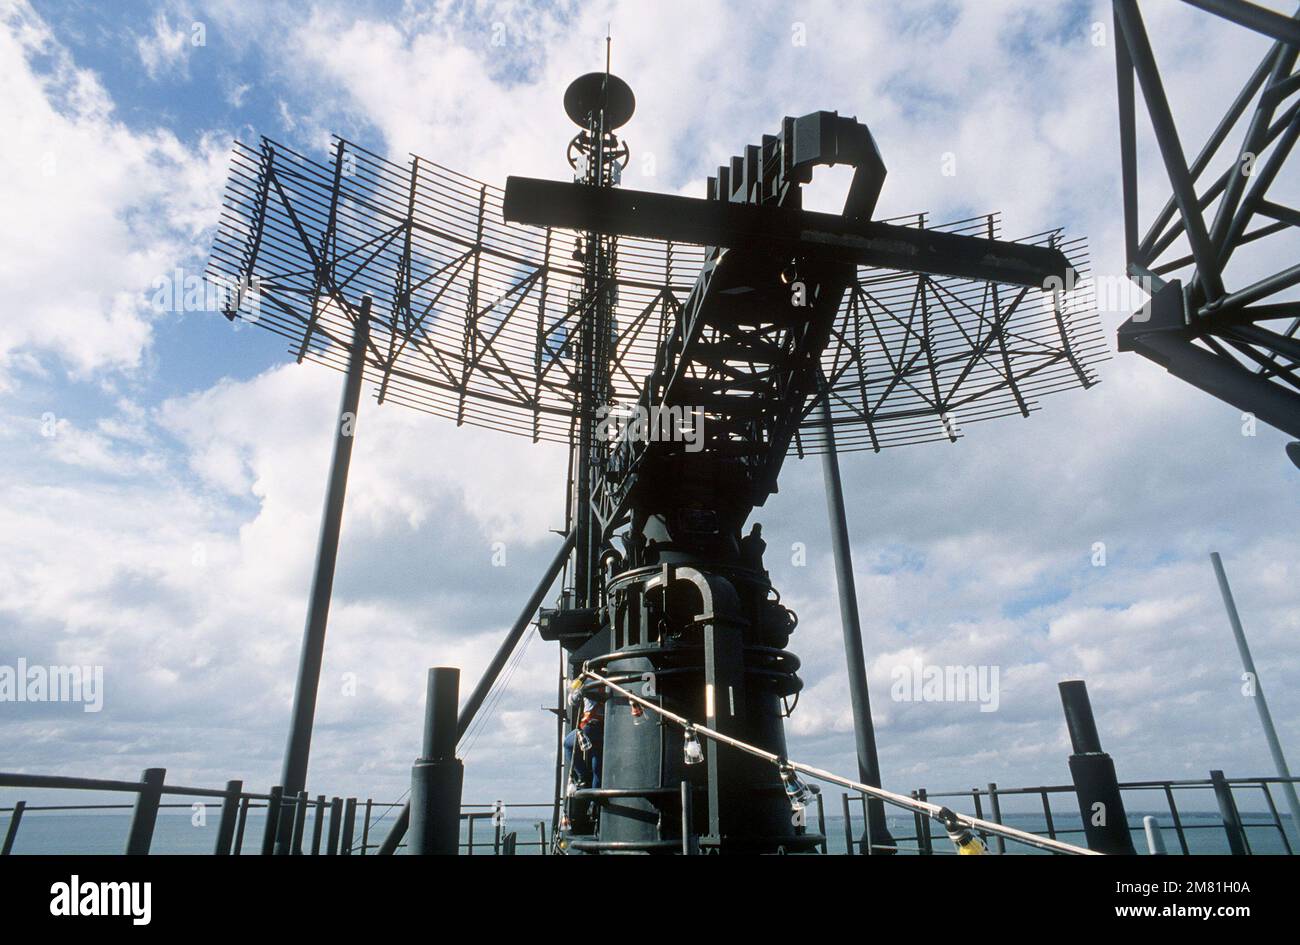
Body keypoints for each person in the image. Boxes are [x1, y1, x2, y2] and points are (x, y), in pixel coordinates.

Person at [563, 678, 605, 789]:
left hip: (590, 728)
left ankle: (584, 776)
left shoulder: (587, 680)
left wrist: (579, 690)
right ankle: (595, 801)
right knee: (597, 766)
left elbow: (572, 700)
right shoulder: (609, 681)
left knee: (568, 744)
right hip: (604, 729)